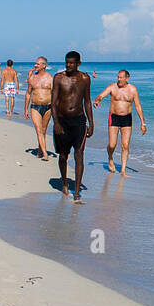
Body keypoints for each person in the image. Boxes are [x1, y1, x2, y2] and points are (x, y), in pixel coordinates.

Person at [51, 51, 93, 202]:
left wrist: (91, 123)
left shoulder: (85, 78)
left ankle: (76, 193)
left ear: (78, 63)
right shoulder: (58, 78)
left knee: (79, 154)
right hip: (62, 121)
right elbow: (54, 102)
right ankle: (64, 182)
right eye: (66, 62)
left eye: (71, 63)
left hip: (79, 121)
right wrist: (56, 123)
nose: (68, 65)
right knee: (63, 156)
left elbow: (87, 101)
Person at [93, 69, 147, 176]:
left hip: (127, 118)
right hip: (114, 117)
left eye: (121, 77)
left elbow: (138, 106)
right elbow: (101, 95)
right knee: (112, 144)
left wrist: (143, 123)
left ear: (127, 78)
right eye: (117, 77)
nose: (118, 79)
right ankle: (110, 158)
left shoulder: (133, 90)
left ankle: (123, 170)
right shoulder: (113, 87)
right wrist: (97, 100)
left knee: (125, 145)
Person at [24, 57, 54, 159]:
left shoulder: (50, 78)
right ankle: (45, 154)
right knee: (39, 130)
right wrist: (26, 109)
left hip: (48, 107)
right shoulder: (32, 78)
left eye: (37, 64)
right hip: (35, 107)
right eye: (35, 64)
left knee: (44, 130)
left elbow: (55, 95)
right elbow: (28, 93)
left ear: (44, 65)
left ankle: (41, 150)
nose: (35, 65)